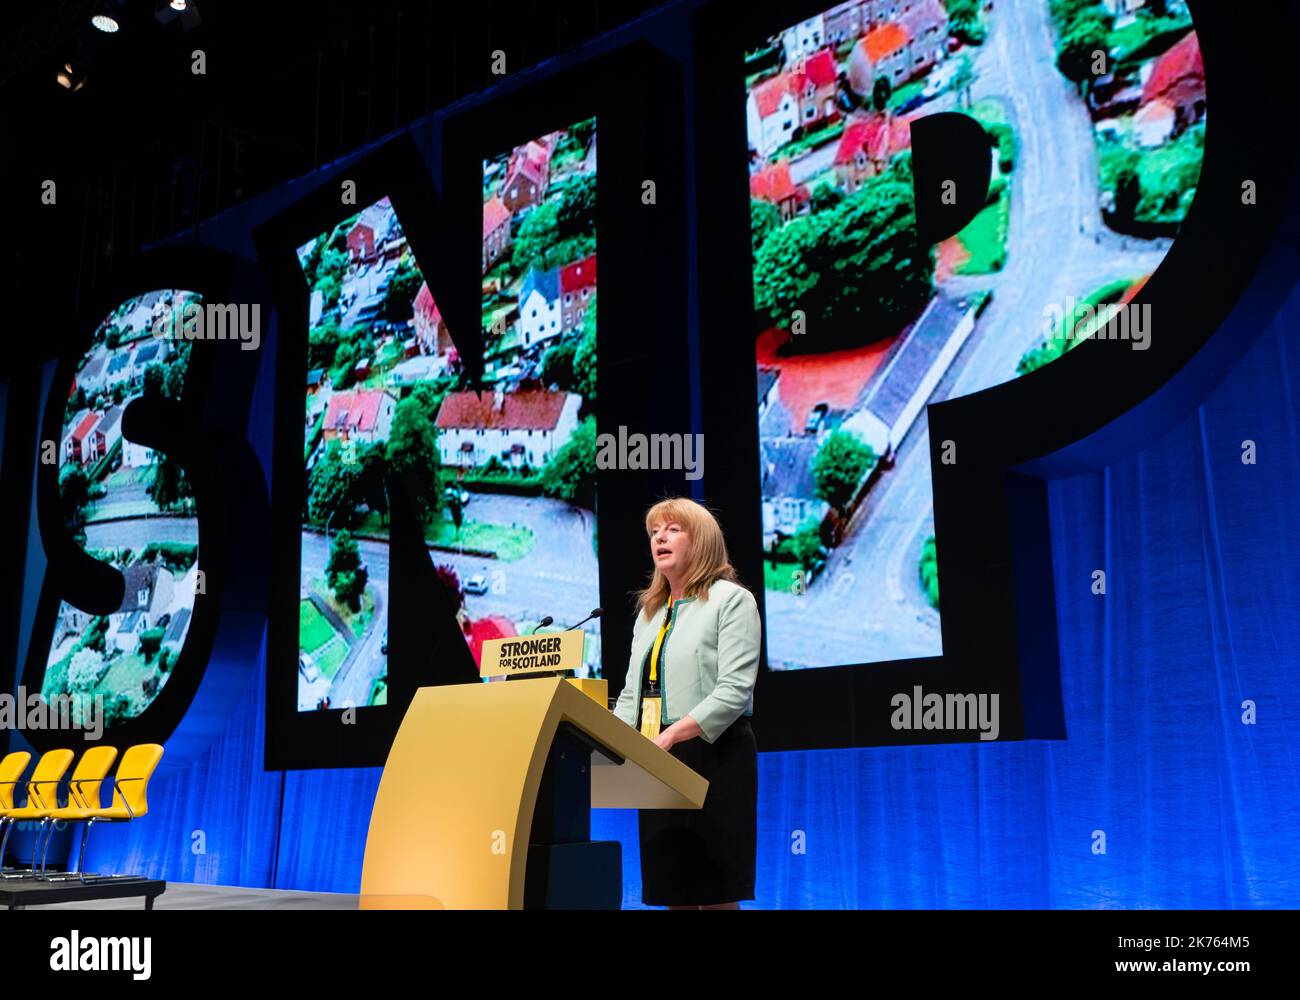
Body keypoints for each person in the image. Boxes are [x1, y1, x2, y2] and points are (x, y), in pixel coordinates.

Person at [612, 496, 760, 909]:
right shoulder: (649, 613)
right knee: (672, 892)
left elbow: (734, 690)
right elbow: (631, 694)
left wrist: (671, 735)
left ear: (702, 541)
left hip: (714, 756)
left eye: (673, 529)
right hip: (657, 760)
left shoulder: (732, 601)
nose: (660, 537)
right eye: (655, 531)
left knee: (715, 894)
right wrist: (607, 741)